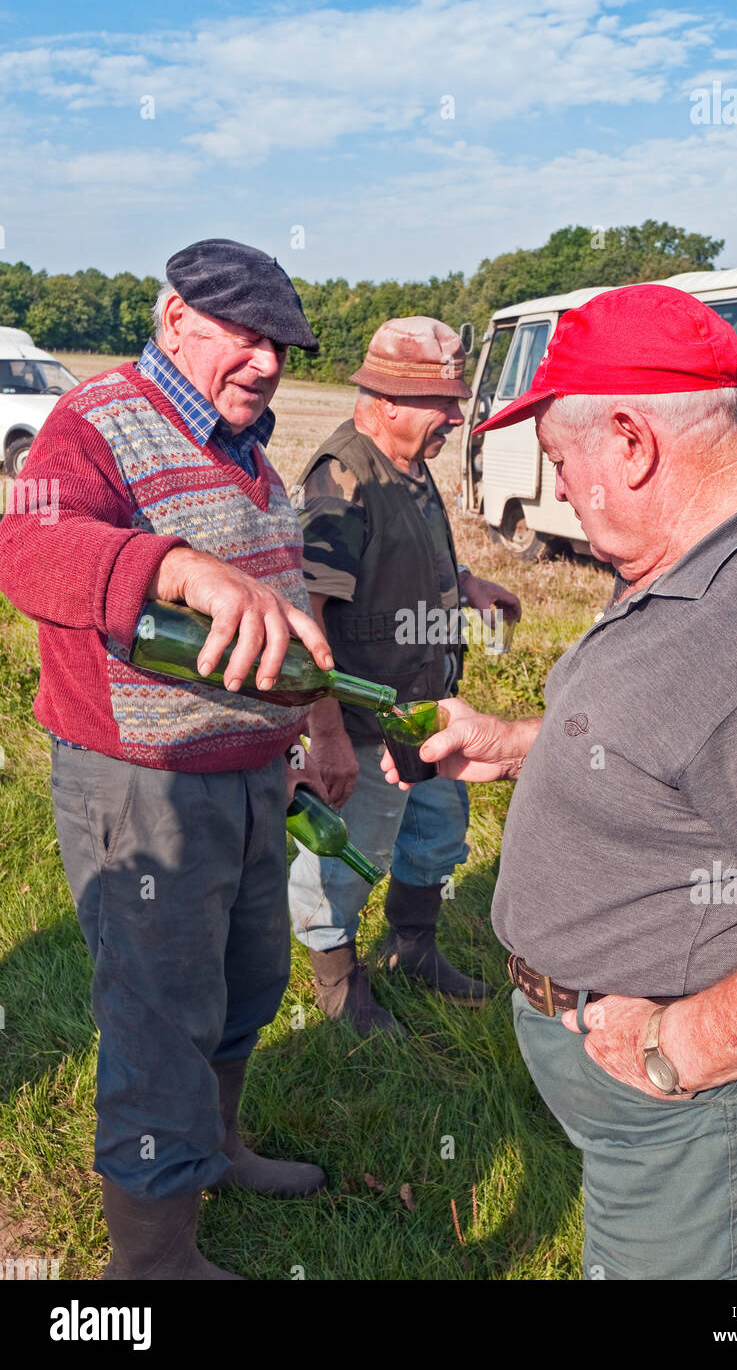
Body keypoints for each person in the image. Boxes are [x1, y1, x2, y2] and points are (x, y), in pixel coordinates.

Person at [382, 284, 737, 1280]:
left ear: (628, 439)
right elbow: (690, 743)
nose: (562, 488)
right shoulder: (697, 564)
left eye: (561, 459)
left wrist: (675, 1047)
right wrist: (520, 741)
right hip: (665, 1119)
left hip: (723, 1117)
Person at [0, 238, 336, 1281]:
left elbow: (287, 601)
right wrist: (173, 566)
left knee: (246, 981)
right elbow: (26, 549)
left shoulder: (250, 448)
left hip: (250, 774)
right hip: (143, 781)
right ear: (174, 318)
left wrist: (318, 729)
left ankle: (218, 1150)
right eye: (246, 335)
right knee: (159, 1010)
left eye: (281, 342)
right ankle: (149, 1266)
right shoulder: (95, 421)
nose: (268, 361)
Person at [288, 317, 521, 1037]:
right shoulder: (343, 476)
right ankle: (336, 987)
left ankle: (412, 951)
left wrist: (468, 581)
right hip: (365, 721)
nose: (456, 415)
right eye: (441, 402)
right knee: (349, 858)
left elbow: (401, 558)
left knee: (435, 835)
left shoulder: (410, 464)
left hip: (426, 709)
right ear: (386, 399)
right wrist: (323, 731)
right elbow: (311, 609)